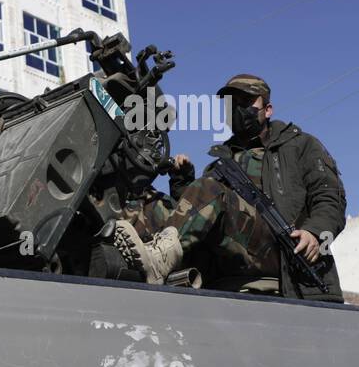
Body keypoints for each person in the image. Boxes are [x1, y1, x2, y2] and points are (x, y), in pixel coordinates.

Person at [114, 73, 347, 301]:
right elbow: (193, 215)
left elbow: (330, 198)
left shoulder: (300, 146)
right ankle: (117, 260)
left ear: (268, 109)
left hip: (286, 251)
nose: (237, 110)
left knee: (210, 189)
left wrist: (315, 232)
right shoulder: (221, 163)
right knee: (148, 200)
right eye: (231, 105)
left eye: (246, 102)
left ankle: (158, 263)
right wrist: (182, 181)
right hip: (228, 259)